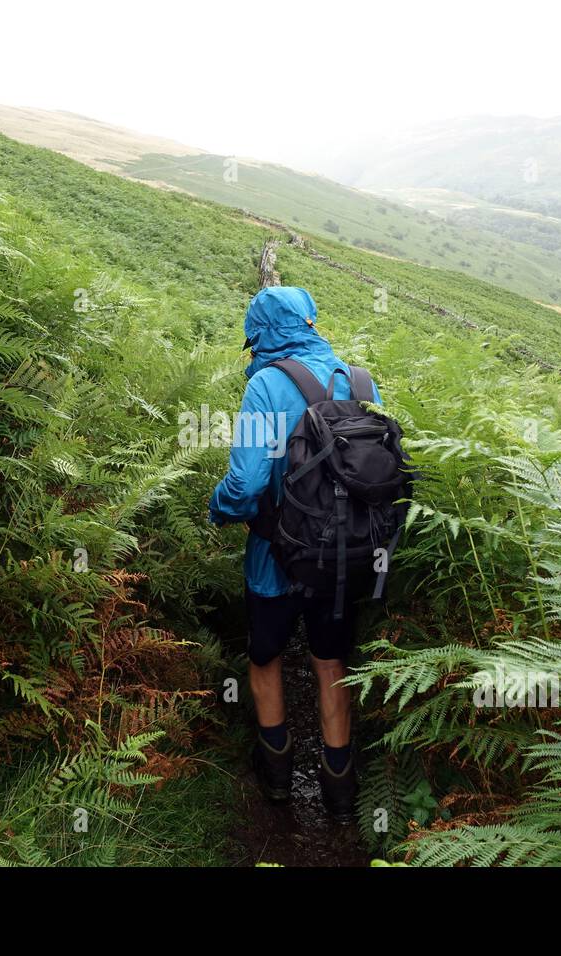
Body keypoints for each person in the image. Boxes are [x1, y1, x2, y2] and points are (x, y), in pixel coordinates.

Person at [208, 285, 382, 821]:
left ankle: (277, 773)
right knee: (330, 661)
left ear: (257, 333)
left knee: (265, 658)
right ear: (310, 321)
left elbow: (247, 482)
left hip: (275, 554)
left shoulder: (265, 384)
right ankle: (339, 788)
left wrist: (218, 509)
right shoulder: (358, 379)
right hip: (345, 558)